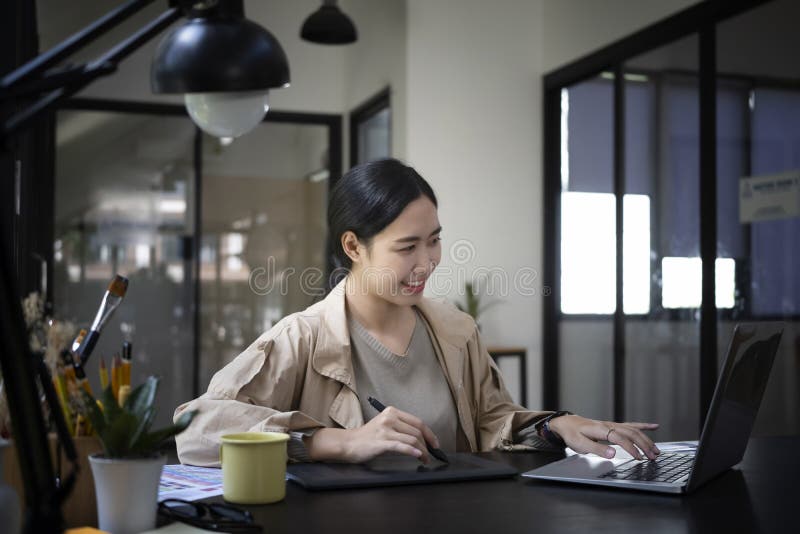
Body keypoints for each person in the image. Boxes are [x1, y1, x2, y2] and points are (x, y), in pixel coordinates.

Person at [174, 159, 660, 466]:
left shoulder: (456, 330)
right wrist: (333, 442)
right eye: (407, 247)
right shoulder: (303, 337)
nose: (426, 263)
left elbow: (492, 421)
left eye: (434, 241)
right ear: (353, 246)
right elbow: (195, 427)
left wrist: (555, 425)